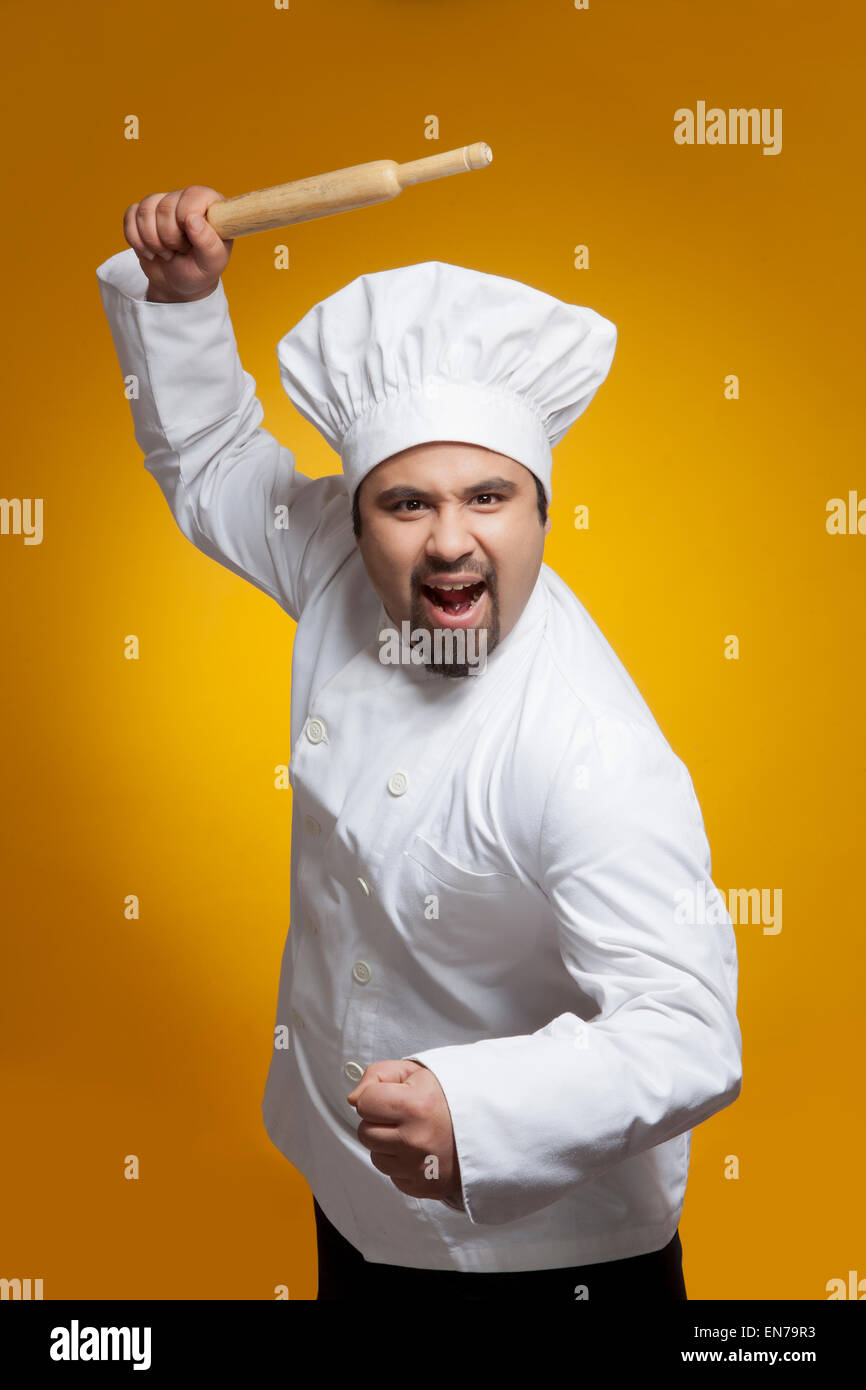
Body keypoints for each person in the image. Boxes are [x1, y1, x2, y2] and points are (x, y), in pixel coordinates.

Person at [96, 185, 742, 1301]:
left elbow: (686, 1029)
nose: (451, 542)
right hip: (347, 1181)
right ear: (353, 518)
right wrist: (183, 299)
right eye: (406, 504)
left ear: (541, 509)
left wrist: (476, 1111)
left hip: (534, 1246)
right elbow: (208, 461)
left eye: (489, 497)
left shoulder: (589, 749)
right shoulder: (340, 575)